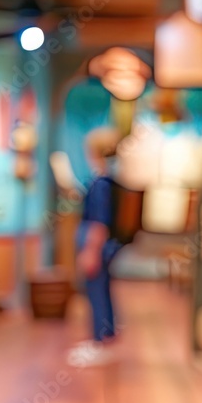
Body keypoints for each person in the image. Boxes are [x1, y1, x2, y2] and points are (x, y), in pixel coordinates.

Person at [67, 127, 125, 368]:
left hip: (96, 244)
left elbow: (99, 223)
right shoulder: (107, 180)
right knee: (101, 289)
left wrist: (91, 251)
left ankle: (99, 340)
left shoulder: (101, 183)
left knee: (95, 291)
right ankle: (106, 334)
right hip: (99, 243)